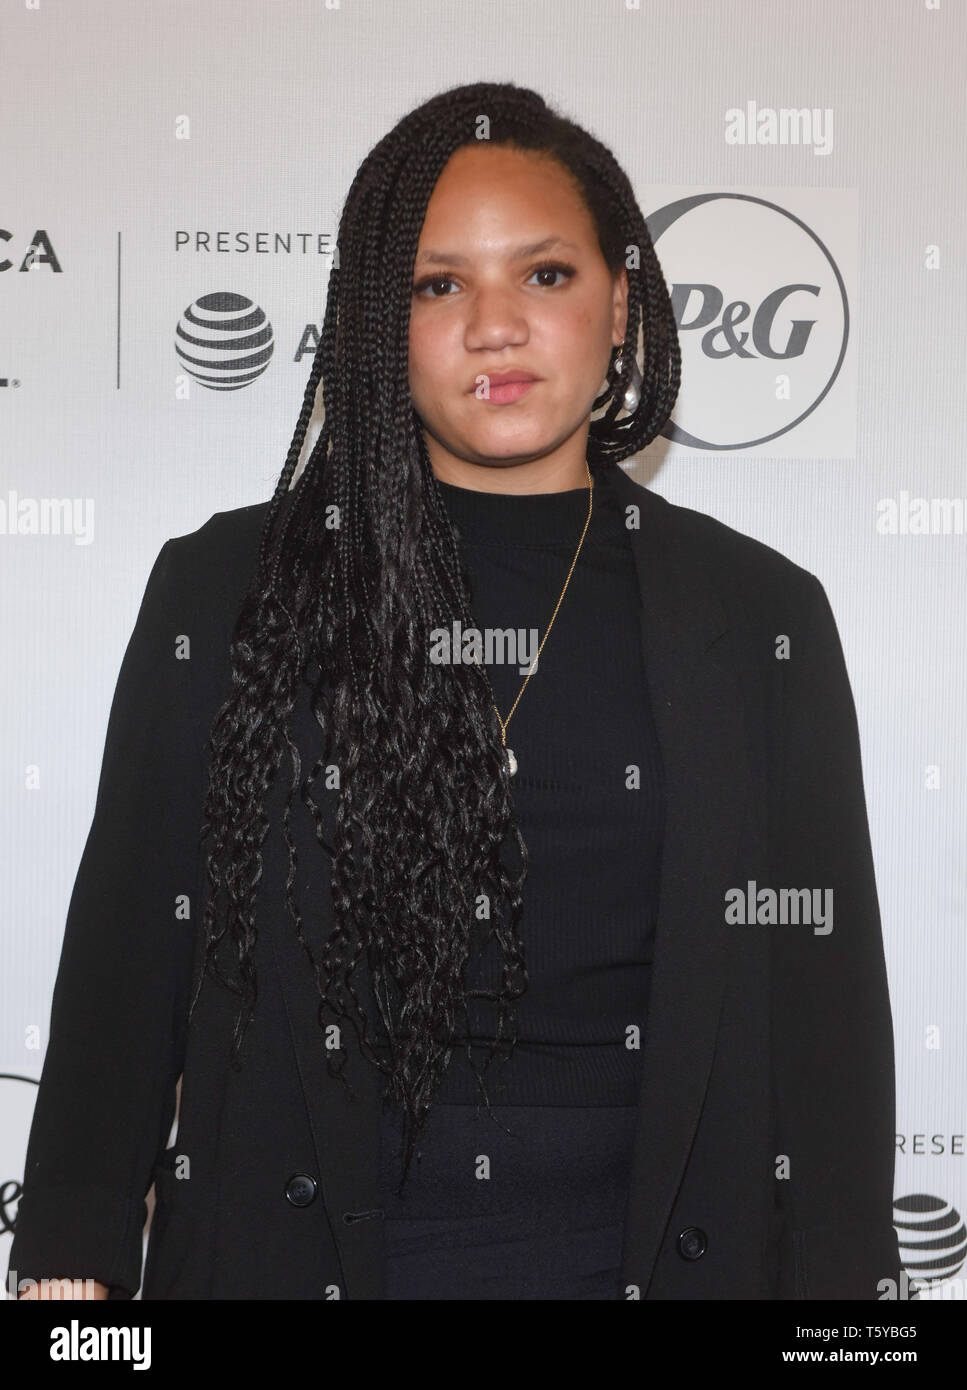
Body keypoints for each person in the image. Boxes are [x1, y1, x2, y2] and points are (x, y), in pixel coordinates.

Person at [10, 80, 903, 1301]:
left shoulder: (759, 617)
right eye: (439, 285)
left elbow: (823, 1020)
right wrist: (70, 1282)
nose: (496, 327)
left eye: (544, 276)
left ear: (622, 302)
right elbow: (127, 961)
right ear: (379, 322)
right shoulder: (227, 587)